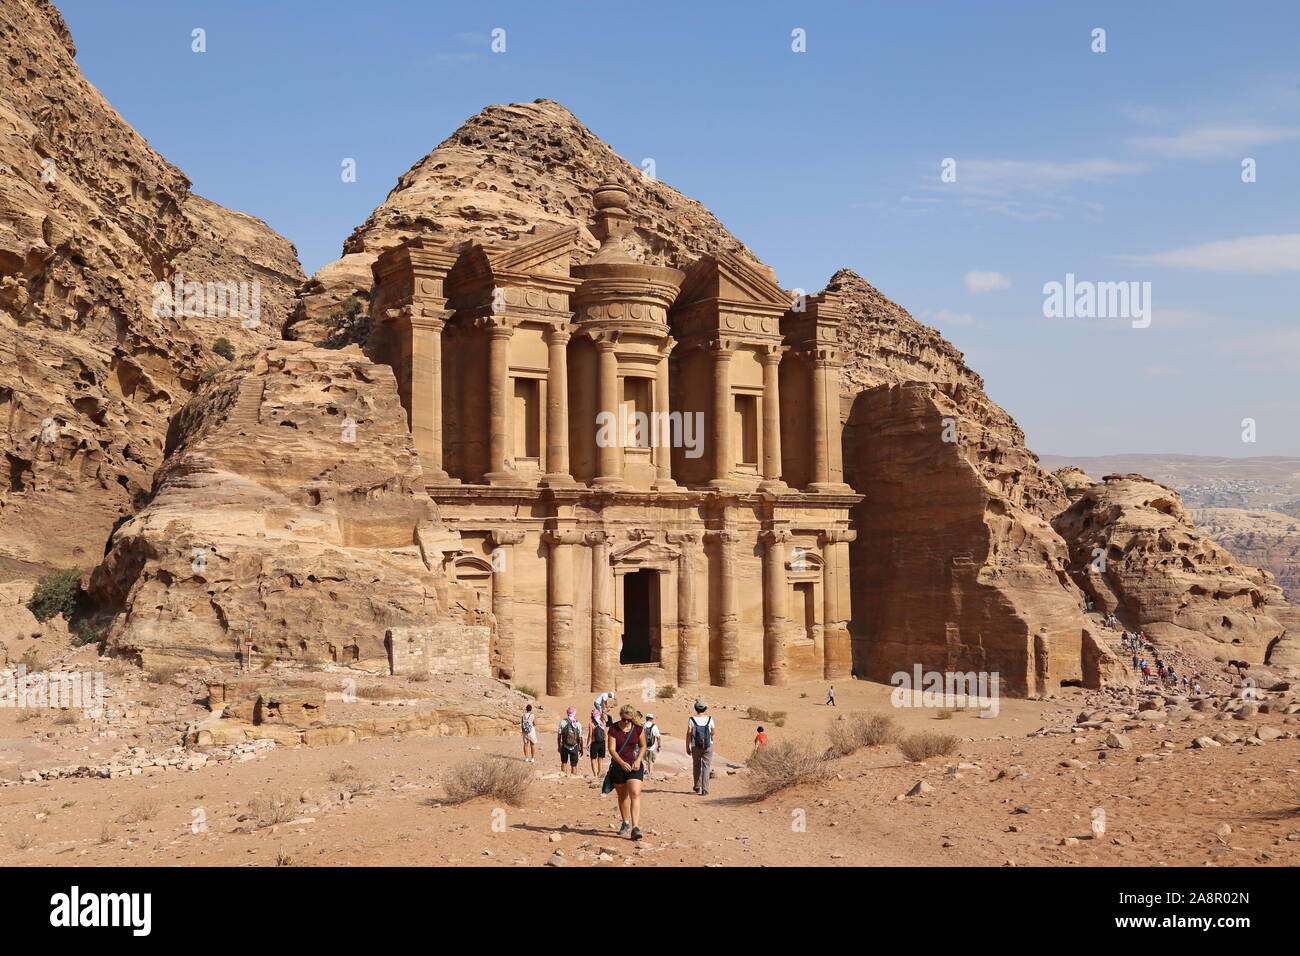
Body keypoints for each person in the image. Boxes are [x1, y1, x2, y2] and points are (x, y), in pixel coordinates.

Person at [604, 704, 646, 840]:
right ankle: (625, 822)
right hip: (618, 767)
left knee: (635, 793)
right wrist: (622, 763)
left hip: (635, 766)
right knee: (622, 797)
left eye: (628, 719)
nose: (626, 722)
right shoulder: (614, 729)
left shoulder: (638, 729)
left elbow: (643, 745)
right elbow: (611, 749)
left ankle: (635, 827)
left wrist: (639, 759)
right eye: (623, 719)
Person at [686, 700, 716, 796]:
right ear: (705, 709)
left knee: (696, 765)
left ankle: (697, 786)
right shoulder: (710, 719)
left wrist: (687, 745)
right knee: (706, 767)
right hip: (708, 744)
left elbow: (689, 733)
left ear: (695, 708)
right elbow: (713, 732)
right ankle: (705, 789)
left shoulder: (692, 719)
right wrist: (707, 736)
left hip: (696, 745)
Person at [557, 706, 584, 777]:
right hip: (574, 747)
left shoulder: (562, 722)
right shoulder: (578, 723)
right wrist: (581, 748)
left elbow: (559, 736)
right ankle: (573, 778)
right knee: (574, 765)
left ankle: (564, 777)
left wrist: (559, 746)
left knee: (564, 762)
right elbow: (580, 737)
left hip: (564, 746)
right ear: (574, 713)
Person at [588, 700, 608, 776]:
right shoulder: (603, 722)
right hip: (602, 743)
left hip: (594, 743)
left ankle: (595, 774)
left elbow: (590, 735)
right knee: (600, 759)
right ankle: (599, 772)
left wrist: (587, 744)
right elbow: (605, 734)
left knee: (593, 759)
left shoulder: (591, 724)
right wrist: (605, 742)